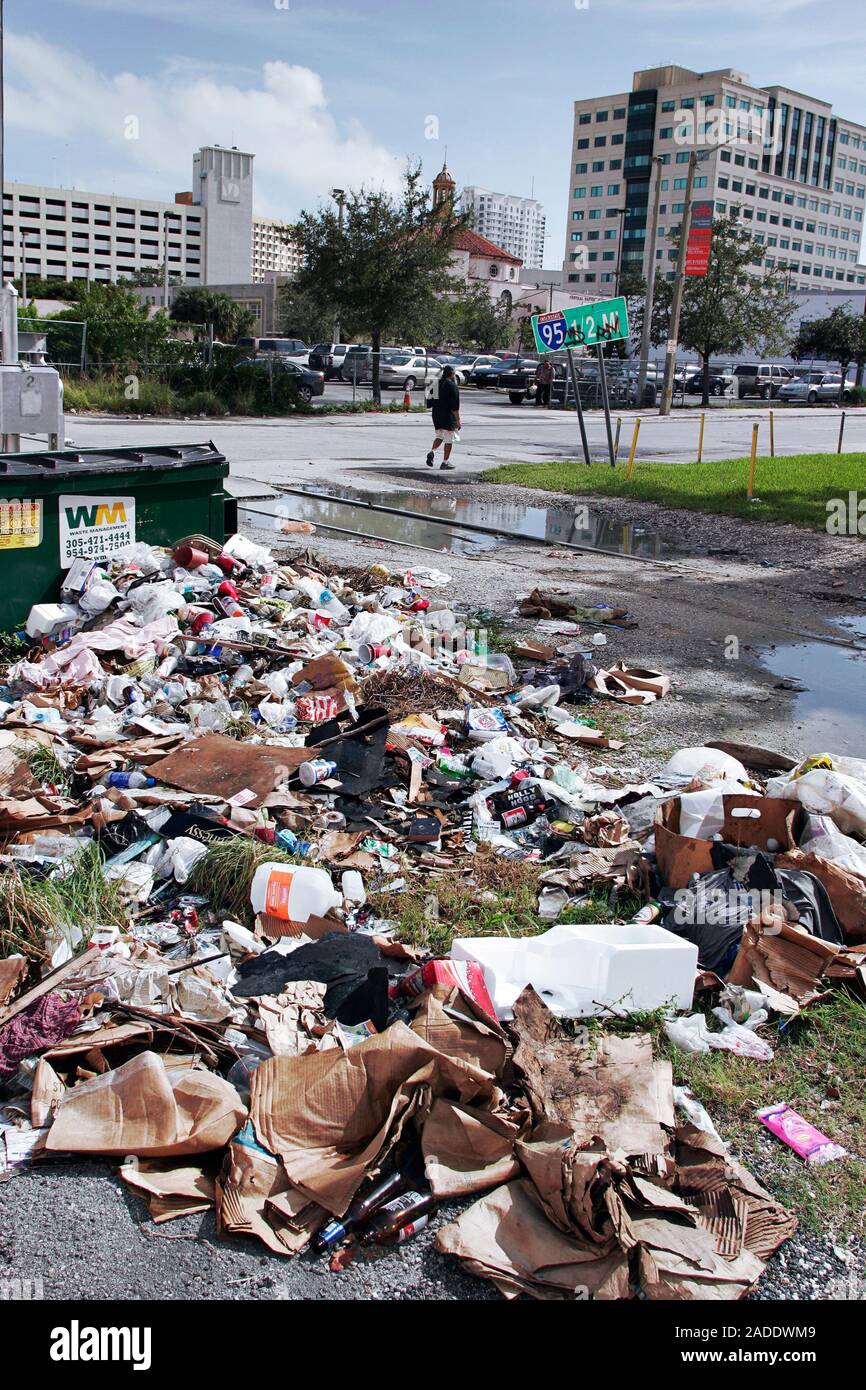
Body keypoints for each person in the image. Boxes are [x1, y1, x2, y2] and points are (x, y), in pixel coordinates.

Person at [426, 365, 461, 470]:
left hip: (436, 414)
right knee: (448, 440)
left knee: (440, 435)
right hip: (448, 416)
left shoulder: (435, 384)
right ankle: (445, 462)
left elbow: (429, 402)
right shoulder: (452, 386)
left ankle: (432, 452)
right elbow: (455, 406)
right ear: (452, 374)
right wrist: (458, 420)